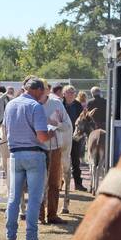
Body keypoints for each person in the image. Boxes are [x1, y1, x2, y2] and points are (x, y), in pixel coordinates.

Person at [4, 77, 53, 240]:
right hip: (34, 154)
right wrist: (50, 134)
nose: (43, 96)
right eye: (43, 92)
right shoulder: (35, 107)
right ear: (37, 90)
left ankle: (10, 236)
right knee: (34, 198)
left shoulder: (10, 105)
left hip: (15, 154)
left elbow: (6, 129)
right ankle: (31, 238)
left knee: (13, 197)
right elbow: (42, 136)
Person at [41, 84, 70, 225]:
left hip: (55, 148)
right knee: (38, 183)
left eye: (43, 88)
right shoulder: (30, 104)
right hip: (37, 147)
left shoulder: (57, 104)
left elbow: (68, 126)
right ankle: (39, 215)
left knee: (54, 182)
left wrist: (55, 124)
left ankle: (52, 214)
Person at [63, 85, 85, 191]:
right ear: (64, 94)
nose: (71, 94)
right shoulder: (60, 104)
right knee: (60, 160)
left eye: (73, 92)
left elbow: (82, 119)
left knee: (75, 160)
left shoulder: (78, 105)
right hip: (62, 136)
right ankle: (60, 183)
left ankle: (78, 183)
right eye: (69, 92)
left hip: (75, 136)